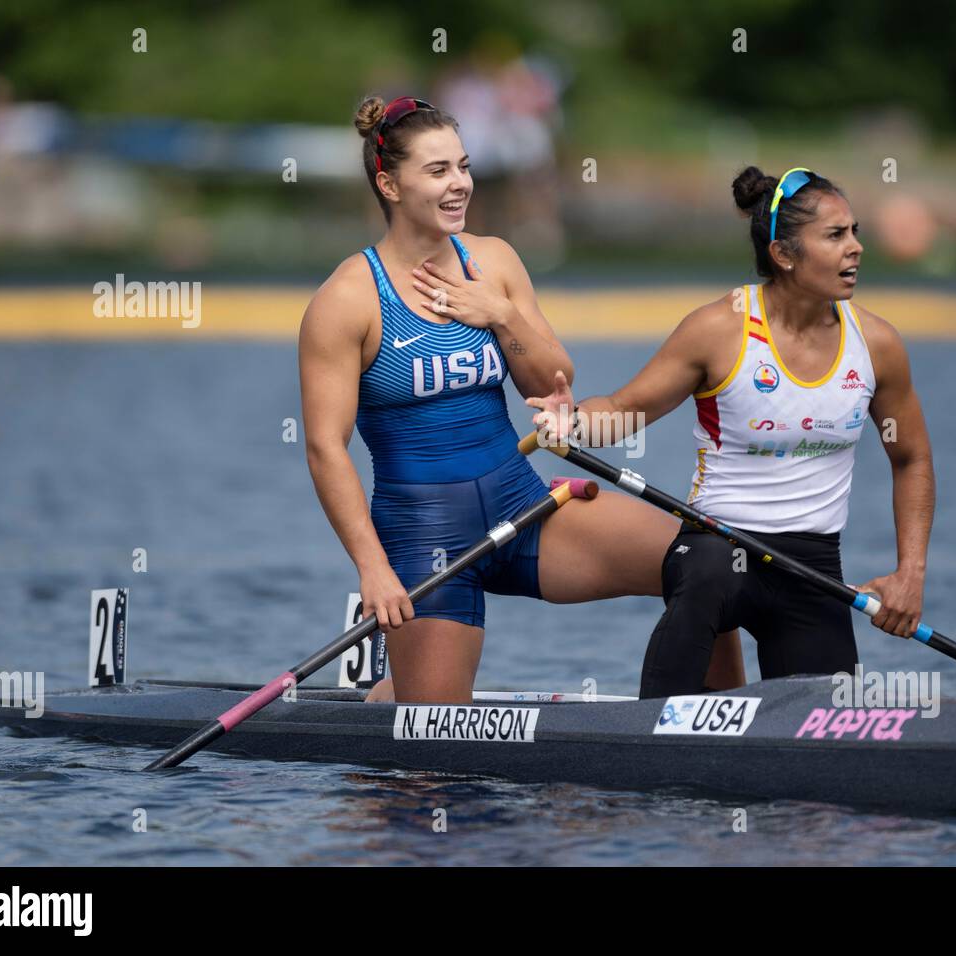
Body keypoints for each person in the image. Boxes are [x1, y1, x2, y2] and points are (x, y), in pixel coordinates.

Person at [298, 95, 744, 703]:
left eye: (463, 166)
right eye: (438, 172)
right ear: (389, 184)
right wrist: (372, 569)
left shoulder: (494, 261)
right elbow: (326, 448)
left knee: (708, 562)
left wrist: (500, 313)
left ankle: (720, 723)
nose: (460, 185)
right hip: (424, 537)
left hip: (524, 510)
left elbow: (551, 380)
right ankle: (386, 696)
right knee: (431, 756)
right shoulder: (347, 299)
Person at [529, 167, 935, 697]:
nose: (856, 248)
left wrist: (911, 574)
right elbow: (627, 410)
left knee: (825, 740)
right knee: (706, 582)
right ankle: (648, 734)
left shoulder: (878, 345)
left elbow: (912, 461)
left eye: (855, 231)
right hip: (716, 547)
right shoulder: (719, 330)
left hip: (811, 565)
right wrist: (574, 421)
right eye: (836, 236)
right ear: (784, 254)